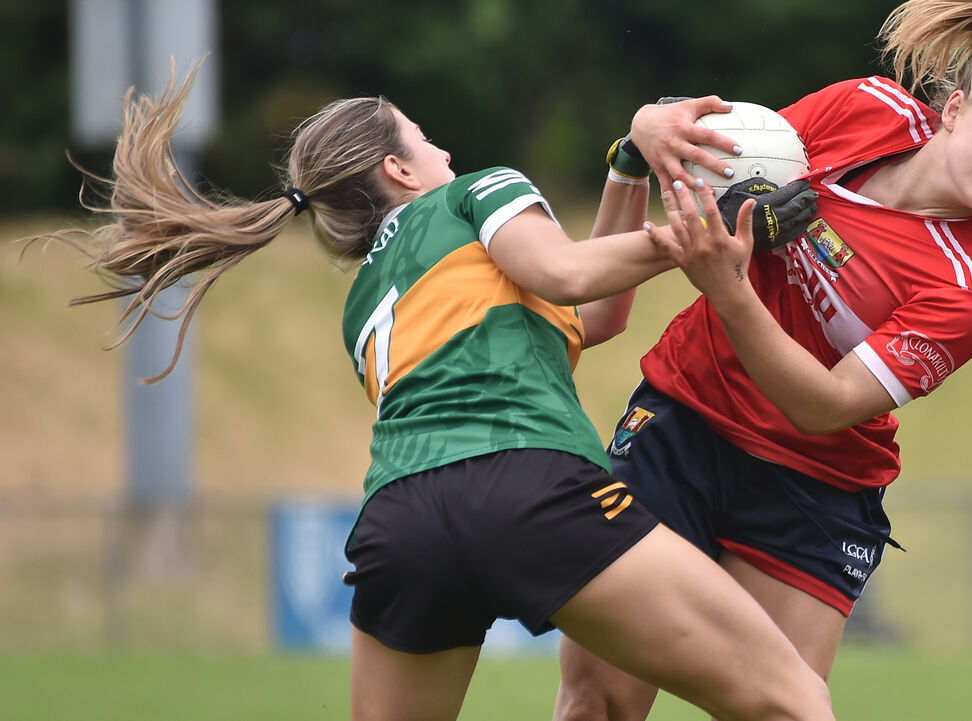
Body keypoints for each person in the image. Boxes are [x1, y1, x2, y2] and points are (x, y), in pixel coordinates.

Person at [41, 63, 835, 721]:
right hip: (529, 488)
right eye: (426, 139)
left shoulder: (367, 300)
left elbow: (591, 315)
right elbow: (562, 273)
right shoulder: (476, 192)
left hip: (399, 526)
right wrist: (709, 237)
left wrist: (625, 165)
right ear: (398, 169)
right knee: (793, 698)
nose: (445, 149)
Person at [554, 0, 972, 721]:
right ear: (952, 109)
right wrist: (640, 142)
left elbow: (826, 405)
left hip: (814, 484)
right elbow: (712, 186)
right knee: (595, 701)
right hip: (685, 420)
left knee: (788, 711)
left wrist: (730, 286)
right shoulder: (864, 108)